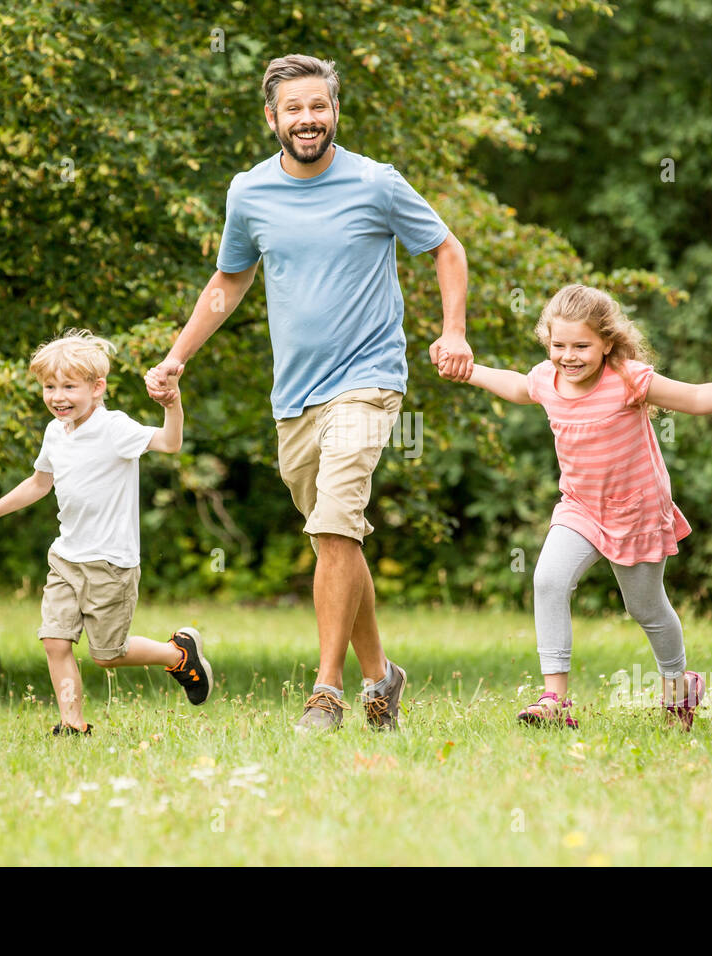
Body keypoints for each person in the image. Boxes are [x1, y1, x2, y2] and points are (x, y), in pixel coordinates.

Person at [146, 54, 472, 731]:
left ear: (334, 112)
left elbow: (446, 248)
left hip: (369, 380)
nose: (307, 119)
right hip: (294, 396)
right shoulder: (250, 193)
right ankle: (383, 678)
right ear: (271, 118)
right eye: (293, 109)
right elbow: (229, 282)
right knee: (336, 542)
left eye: (317, 107)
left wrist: (454, 331)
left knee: (333, 522)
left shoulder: (375, 183)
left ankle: (327, 693)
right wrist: (178, 355)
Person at [446, 285, 712, 729]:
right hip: (580, 508)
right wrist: (468, 369)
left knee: (645, 608)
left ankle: (678, 685)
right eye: (558, 345)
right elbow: (516, 386)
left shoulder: (629, 379)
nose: (568, 356)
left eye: (581, 346)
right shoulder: (547, 380)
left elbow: (694, 398)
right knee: (548, 580)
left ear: (607, 343)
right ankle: (555, 699)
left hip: (636, 512)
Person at [0, 329, 213, 736]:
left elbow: (170, 442)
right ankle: (72, 724)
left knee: (108, 655)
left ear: (97, 388)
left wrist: (172, 404)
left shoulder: (115, 429)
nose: (58, 396)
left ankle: (177, 654)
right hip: (66, 558)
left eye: (69, 387)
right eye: (49, 386)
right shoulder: (56, 432)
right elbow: (40, 483)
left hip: (110, 564)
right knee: (55, 641)